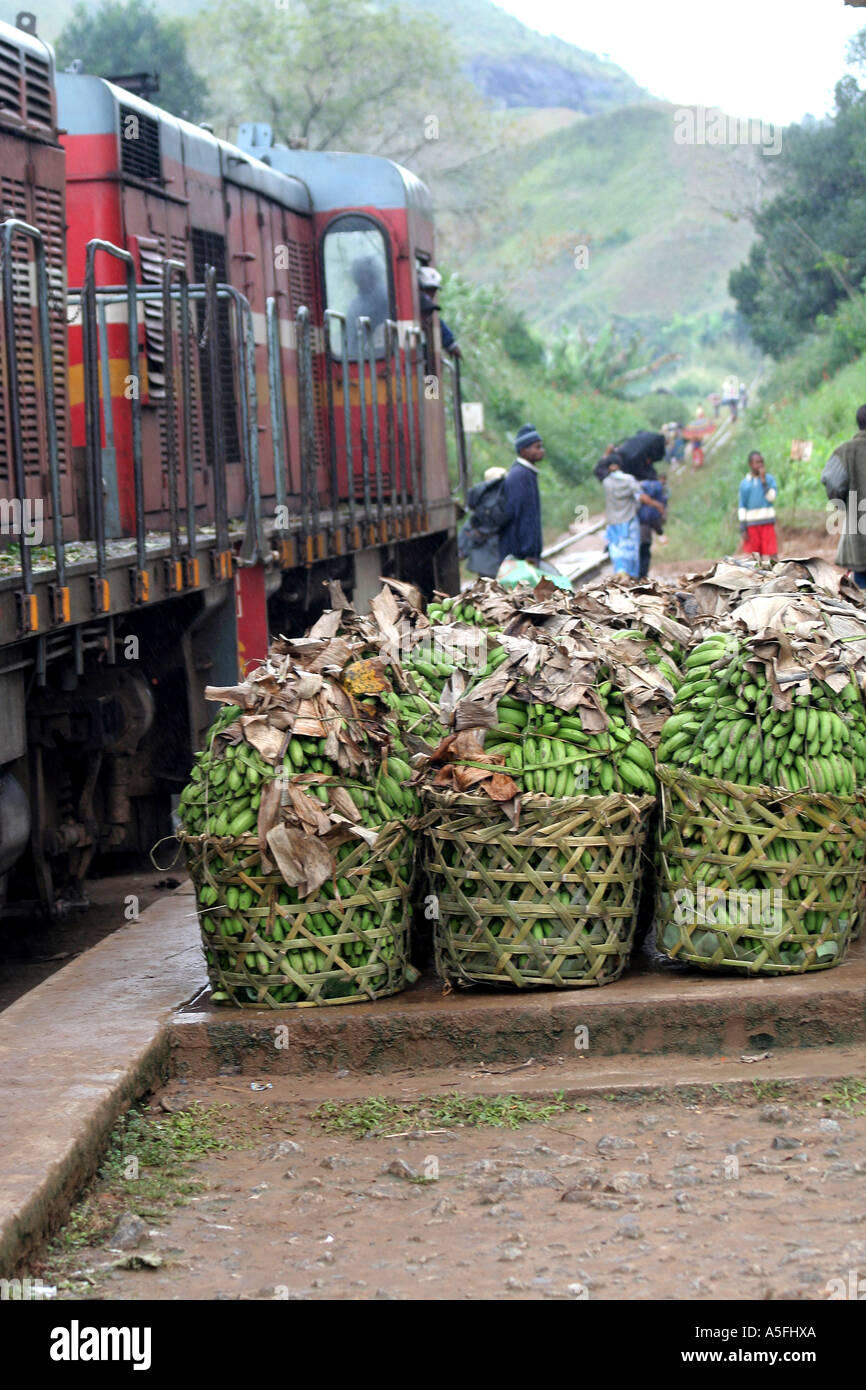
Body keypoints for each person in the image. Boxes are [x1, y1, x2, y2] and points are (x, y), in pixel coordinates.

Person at [821, 404, 866, 588]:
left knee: (862, 587)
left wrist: (843, 503)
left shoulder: (845, 451)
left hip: (859, 530)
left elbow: (833, 481)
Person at [602, 457, 664, 577]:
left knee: (616, 547)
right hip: (628, 520)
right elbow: (641, 496)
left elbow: (599, 469)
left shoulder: (606, 482)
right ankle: (631, 576)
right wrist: (657, 505)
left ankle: (620, 571)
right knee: (630, 549)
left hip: (613, 521)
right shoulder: (628, 480)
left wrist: (608, 454)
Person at [499, 424, 545, 565]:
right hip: (519, 553)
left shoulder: (525, 472)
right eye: (537, 447)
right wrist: (529, 552)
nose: (542, 451)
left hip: (520, 552)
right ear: (524, 450)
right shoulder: (521, 475)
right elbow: (525, 516)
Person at [458, 466, 508, 578]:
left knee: (488, 586)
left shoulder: (479, 497)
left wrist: (461, 550)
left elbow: (469, 527)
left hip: (483, 553)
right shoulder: (504, 497)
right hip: (501, 551)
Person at [345, 255, 390, 355]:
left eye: (358, 273)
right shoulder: (358, 300)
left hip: (375, 352)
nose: (355, 279)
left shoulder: (383, 297)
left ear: (369, 275)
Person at [738, 450, 778, 559]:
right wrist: (743, 527)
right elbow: (742, 506)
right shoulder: (745, 483)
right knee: (755, 557)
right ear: (750, 464)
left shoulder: (769, 480)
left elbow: (772, 497)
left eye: (761, 462)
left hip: (767, 522)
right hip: (751, 524)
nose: (760, 465)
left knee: (772, 553)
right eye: (757, 462)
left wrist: (764, 481)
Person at [417, 265, 461, 359]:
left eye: (434, 290)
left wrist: (450, 343)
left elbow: (437, 321)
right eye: (428, 290)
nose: (431, 294)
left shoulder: (430, 310)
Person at [638, 473, 668, 578]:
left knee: (640, 551)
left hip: (637, 528)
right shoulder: (658, 498)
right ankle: (642, 576)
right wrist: (660, 532)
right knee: (645, 551)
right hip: (646, 530)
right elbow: (656, 520)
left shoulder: (641, 491)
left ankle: (638, 575)